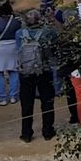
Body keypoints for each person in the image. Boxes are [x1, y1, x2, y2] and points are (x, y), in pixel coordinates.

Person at [15, 11, 57, 142]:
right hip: (44, 71)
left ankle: (26, 133)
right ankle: (48, 131)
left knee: (26, 103)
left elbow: (18, 49)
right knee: (47, 101)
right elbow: (54, 45)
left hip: (25, 72)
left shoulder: (19, 33)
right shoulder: (47, 32)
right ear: (40, 20)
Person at [0, 0, 19, 107]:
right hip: (13, 47)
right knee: (14, 71)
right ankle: (13, 97)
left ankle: (2, 98)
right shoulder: (16, 21)